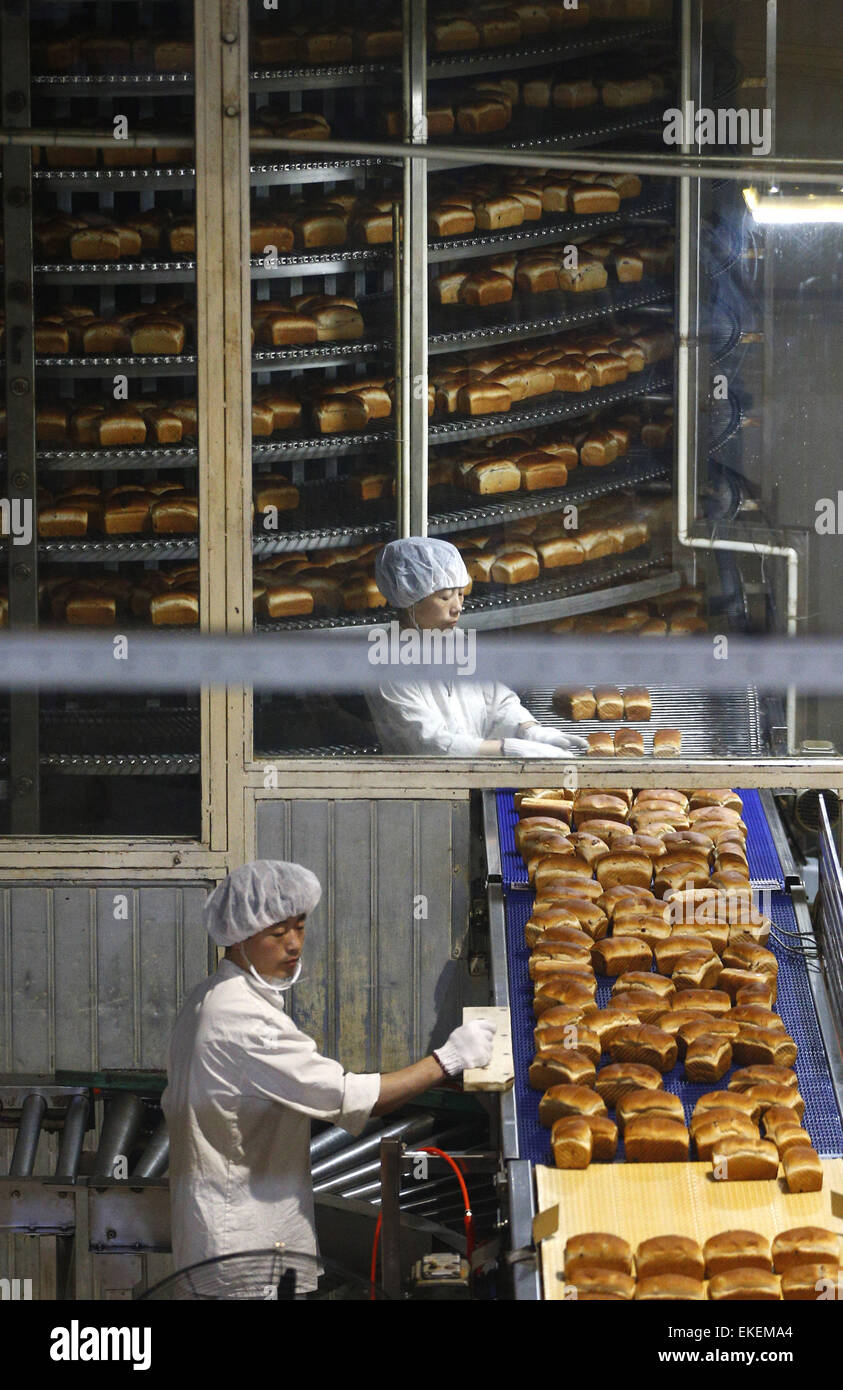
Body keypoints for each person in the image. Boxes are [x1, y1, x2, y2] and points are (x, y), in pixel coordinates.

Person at [161, 860, 496, 1292]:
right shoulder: (239, 1018)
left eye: (300, 927)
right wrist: (448, 1060)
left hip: (218, 1236)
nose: (295, 944)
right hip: (245, 1251)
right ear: (238, 935)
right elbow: (349, 1096)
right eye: (278, 934)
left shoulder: (210, 997)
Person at [367, 536, 588, 758]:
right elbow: (430, 743)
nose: (457, 607)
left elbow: (497, 700)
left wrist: (529, 730)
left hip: (476, 776)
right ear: (409, 600)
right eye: (445, 597)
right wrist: (506, 748)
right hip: (424, 787)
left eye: (461, 594)